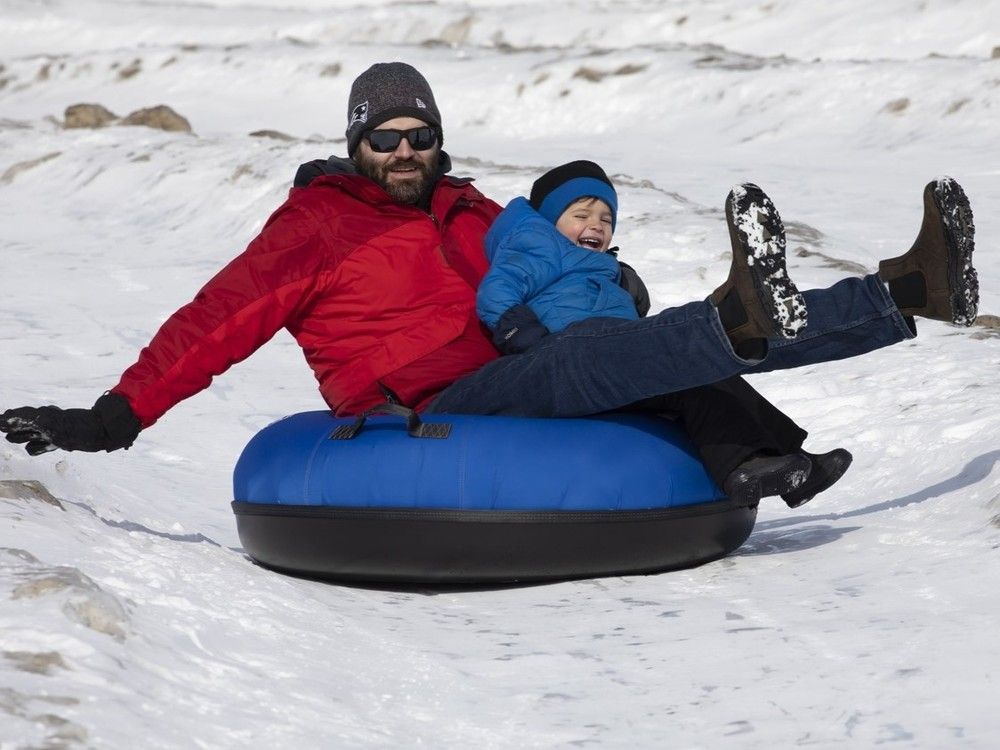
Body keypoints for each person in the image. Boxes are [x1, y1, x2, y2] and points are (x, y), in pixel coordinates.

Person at [0, 62, 978, 507]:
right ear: (355, 144)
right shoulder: (316, 224)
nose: (403, 151)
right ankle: (740, 314)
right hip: (430, 398)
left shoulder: (472, 209)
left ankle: (904, 295)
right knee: (619, 350)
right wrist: (117, 414)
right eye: (384, 137)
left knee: (642, 334)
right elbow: (215, 321)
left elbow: (544, 274)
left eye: (418, 135)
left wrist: (610, 277)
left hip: (533, 362)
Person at [473, 159, 850, 507]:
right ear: (550, 219)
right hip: (574, 362)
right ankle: (747, 463)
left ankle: (790, 463)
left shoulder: (595, 264)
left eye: (607, 219)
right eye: (581, 214)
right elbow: (498, 291)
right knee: (687, 370)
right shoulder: (537, 245)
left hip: (613, 358)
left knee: (707, 374)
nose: (597, 225)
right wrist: (527, 339)